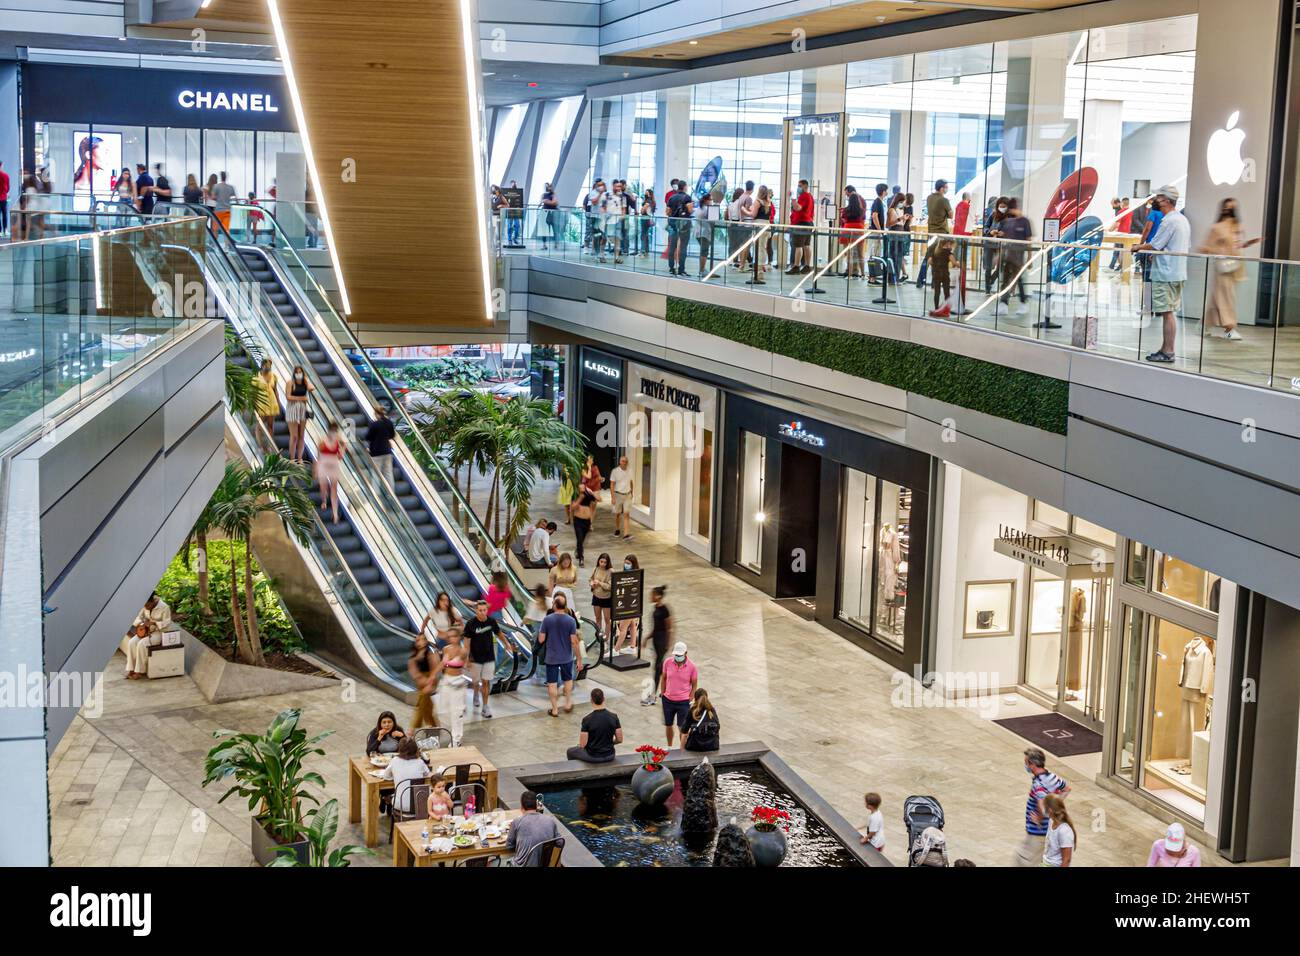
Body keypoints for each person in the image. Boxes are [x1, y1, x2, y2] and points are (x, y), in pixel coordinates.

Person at [1137, 185, 1191, 363]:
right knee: (1170, 312)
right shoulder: (1182, 220)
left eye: (1159, 197)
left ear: (1167, 200)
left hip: (1166, 273)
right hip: (1177, 272)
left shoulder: (1169, 221)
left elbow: (1155, 244)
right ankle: (1166, 348)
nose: (1156, 200)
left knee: (1167, 313)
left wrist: (1137, 247)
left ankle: (1168, 351)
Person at [1199, 197, 1260, 341]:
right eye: (1227, 207)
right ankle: (1229, 328)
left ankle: (1206, 324)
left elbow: (1237, 245)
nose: (1229, 210)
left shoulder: (1237, 226)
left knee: (1219, 298)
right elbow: (1206, 247)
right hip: (1223, 268)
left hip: (1235, 266)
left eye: (1232, 207)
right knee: (1227, 298)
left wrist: (1248, 243)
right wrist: (1219, 250)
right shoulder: (1217, 228)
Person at [1017, 747, 1070, 867]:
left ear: (1032, 764)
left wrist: (1040, 818)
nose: (1025, 765)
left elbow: (1043, 808)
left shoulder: (1038, 784)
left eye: (1026, 762)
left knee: (1027, 862)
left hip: (1037, 830)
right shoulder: (1052, 777)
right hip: (1043, 830)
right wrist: (1055, 803)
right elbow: (1066, 789)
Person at [538, 592, 582, 717]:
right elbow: (574, 641)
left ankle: (555, 709)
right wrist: (578, 659)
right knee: (567, 680)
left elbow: (541, 639)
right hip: (566, 657)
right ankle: (568, 702)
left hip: (551, 657)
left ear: (555, 605)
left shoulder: (547, 620)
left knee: (552, 683)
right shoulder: (571, 620)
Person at [463, 600, 502, 719]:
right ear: (476, 611)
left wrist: (506, 644)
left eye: (484, 610)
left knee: (486, 681)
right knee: (476, 681)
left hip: (489, 657)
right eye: (480, 610)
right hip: (475, 658)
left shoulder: (491, 621)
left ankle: (485, 707)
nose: (482, 612)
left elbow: (499, 633)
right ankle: (475, 693)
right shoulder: (470, 624)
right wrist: (467, 658)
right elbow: (466, 642)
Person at [998, 197, 1035, 320]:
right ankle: (1003, 304)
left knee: (1019, 280)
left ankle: (1023, 303)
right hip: (1008, 257)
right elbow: (1005, 241)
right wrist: (1000, 256)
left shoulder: (1025, 222)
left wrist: (1030, 258)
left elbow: (1028, 240)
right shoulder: (1008, 222)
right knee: (1005, 280)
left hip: (1019, 257)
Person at [566, 688, 623, 763]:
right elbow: (619, 739)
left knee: (570, 751)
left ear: (591, 701)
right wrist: (609, 743)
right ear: (603, 699)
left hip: (593, 757)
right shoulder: (614, 717)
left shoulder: (587, 719)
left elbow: (582, 744)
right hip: (610, 755)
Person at [658, 640, 698, 747]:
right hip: (668, 700)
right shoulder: (667, 662)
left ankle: (682, 748)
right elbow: (664, 678)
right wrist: (663, 693)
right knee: (668, 725)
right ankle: (669, 746)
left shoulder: (692, 667)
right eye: (676, 655)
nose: (678, 657)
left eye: (680, 655)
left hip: (683, 702)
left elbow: (694, 684)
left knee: (682, 727)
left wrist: (690, 698)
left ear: (686, 653)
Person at [436, 626, 471, 745]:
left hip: (458, 682)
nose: (452, 639)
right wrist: (431, 676)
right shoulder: (445, 649)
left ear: (459, 637)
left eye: (454, 636)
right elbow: (442, 664)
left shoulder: (462, 651)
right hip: (446, 680)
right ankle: (453, 730)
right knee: (443, 711)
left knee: (456, 712)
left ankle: (456, 738)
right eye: (449, 636)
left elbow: (465, 663)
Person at [506, 791, 561, 866]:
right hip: (545, 864)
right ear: (537, 805)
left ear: (522, 806)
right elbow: (560, 842)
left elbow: (509, 846)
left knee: (494, 862)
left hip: (522, 865)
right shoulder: (551, 821)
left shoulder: (517, 821)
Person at [124, 592, 171, 679]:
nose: (145, 607)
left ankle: (139, 671)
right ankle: (131, 668)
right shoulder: (144, 604)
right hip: (145, 631)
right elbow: (137, 617)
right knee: (131, 642)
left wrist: (154, 623)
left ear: (152, 601)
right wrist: (141, 624)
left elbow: (167, 624)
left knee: (142, 644)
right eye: (144, 606)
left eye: (147, 605)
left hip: (159, 633)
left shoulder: (164, 607)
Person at [916, 178, 952, 288]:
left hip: (931, 232)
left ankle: (920, 280)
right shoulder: (944, 200)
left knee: (929, 256)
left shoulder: (929, 198)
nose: (947, 189)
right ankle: (934, 282)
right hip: (941, 233)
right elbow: (951, 215)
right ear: (941, 188)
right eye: (946, 187)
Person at [379, 737, 428, 814]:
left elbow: (386, 776)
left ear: (399, 749)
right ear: (416, 749)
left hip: (400, 804)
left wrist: (396, 775)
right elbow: (426, 773)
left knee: (390, 795)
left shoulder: (395, 761)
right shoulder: (420, 762)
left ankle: (385, 800)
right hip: (419, 804)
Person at [642, 584, 671, 704]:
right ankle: (664, 691)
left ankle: (654, 695)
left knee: (658, 667)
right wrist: (647, 637)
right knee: (659, 667)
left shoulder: (664, 610)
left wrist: (667, 644)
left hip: (661, 641)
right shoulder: (656, 609)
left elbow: (669, 628)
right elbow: (656, 628)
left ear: (658, 596)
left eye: (652, 594)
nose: (650, 596)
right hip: (656, 639)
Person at [406, 633, 441, 730]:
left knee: (421, 702)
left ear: (426, 641)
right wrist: (423, 681)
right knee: (427, 706)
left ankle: (412, 728)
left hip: (430, 681)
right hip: (421, 683)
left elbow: (435, 671)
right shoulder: (413, 658)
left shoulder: (430, 654)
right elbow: (415, 674)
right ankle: (435, 727)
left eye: (423, 639)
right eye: (418, 640)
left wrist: (429, 683)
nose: (421, 642)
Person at [315, 420, 345, 525]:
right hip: (328, 463)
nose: (334, 432)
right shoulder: (325, 439)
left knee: (330, 488)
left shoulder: (335, 440)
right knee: (328, 488)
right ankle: (327, 504)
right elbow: (318, 455)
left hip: (329, 463)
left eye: (335, 430)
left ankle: (333, 512)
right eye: (334, 430)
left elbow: (340, 455)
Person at [665, 178, 694, 276]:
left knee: (672, 246)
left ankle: (671, 268)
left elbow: (667, 212)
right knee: (683, 246)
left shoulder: (671, 198)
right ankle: (681, 269)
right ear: (685, 187)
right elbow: (690, 210)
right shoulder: (687, 197)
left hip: (673, 223)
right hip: (684, 224)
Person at [613, 554, 641, 656]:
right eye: (625, 563)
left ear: (633, 564)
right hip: (628, 603)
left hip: (630, 605)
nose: (626, 565)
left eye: (628, 563)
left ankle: (616, 649)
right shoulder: (625, 574)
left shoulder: (635, 575)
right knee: (632, 624)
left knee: (623, 627)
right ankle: (632, 646)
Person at [365, 404, 397, 491]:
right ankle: (391, 492)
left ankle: (376, 493)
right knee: (388, 473)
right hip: (387, 451)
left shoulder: (374, 424)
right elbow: (392, 435)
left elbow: (368, 437)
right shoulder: (389, 423)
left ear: (376, 413)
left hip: (376, 452)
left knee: (376, 473)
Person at [787, 178, 816, 274]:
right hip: (809, 223)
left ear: (805, 186)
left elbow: (798, 208)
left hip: (801, 223)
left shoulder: (804, 196)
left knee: (798, 246)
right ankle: (807, 265)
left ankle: (796, 266)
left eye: (800, 186)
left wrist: (793, 199)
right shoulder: (810, 196)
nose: (798, 188)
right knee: (806, 245)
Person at [284, 365, 312, 464]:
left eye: (300, 372)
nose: (298, 374)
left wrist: (306, 379)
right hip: (292, 409)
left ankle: (300, 458)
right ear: (294, 373)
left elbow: (311, 388)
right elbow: (288, 396)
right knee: (294, 435)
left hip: (302, 410)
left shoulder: (305, 382)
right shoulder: (290, 383)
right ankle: (292, 458)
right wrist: (301, 398)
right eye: (297, 372)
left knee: (301, 435)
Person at [926, 237, 959, 317]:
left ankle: (936, 308)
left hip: (936, 273)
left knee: (937, 292)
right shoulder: (948, 253)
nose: (951, 246)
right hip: (944, 274)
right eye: (951, 245)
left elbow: (930, 261)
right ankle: (945, 310)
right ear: (948, 244)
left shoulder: (936, 251)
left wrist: (936, 265)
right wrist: (960, 264)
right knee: (946, 292)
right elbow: (954, 263)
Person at [1041, 794, 1076, 867]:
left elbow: (1066, 860)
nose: (1043, 810)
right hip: (1046, 862)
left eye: (1044, 807)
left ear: (1050, 810)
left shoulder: (1064, 831)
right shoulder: (1051, 821)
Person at [838, 185, 866, 279]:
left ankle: (849, 274)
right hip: (859, 229)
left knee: (849, 254)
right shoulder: (861, 210)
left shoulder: (846, 210)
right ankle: (863, 274)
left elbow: (844, 219)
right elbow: (863, 218)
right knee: (861, 254)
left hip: (848, 229)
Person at [682, 687, 719, 752]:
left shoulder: (692, 711)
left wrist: (682, 750)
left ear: (695, 698)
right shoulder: (711, 710)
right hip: (712, 746)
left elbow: (684, 733)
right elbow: (718, 727)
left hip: (695, 746)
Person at [694, 191, 720, 278]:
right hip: (704, 233)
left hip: (698, 232)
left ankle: (702, 270)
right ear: (706, 200)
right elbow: (713, 219)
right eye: (710, 199)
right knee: (704, 252)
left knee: (703, 251)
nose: (711, 201)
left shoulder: (699, 208)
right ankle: (702, 270)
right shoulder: (706, 209)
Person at [608, 455, 633, 539]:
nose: (624, 463)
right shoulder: (615, 471)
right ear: (619, 462)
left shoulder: (630, 471)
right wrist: (613, 497)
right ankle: (617, 528)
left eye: (626, 461)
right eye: (623, 461)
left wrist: (632, 492)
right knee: (618, 514)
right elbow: (612, 484)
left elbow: (631, 481)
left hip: (627, 495)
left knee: (626, 514)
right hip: (618, 494)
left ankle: (626, 534)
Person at [588, 552, 613, 638]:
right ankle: (599, 635)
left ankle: (606, 637)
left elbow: (610, 587)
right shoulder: (596, 569)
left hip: (606, 598)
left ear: (608, 562)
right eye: (601, 561)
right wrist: (591, 583)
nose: (602, 564)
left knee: (607, 619)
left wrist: (600, 583)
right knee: (598, 618)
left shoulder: (610, 571)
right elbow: (590, 579)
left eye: (604, 562)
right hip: (596, 596)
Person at [255, 359, 279, 444]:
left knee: (270, 425)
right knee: (260, 425)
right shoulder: (257, 377)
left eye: (270, 365)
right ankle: (260, 445)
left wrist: (278, 402)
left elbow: (275, 390)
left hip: (272, 403)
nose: (268, 367)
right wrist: (255, 404)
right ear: (262, 365)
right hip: (262, 403)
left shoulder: (273, 376)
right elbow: (254, 392)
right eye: (267, 365)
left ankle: (270, 445)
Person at [570, 488, 595, 566]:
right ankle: (581, 558)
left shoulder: (588, 495)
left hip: (586, 522)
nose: (581, 487)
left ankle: (578, 550)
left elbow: (593, 506)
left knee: (582, 540)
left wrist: (590, 523)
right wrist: (580, 498)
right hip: (578, 521)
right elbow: (573, 507)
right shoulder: (575, 495)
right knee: (580, 539)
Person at [638, 188, 656, 256]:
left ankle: (642, 250)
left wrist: (642, 210)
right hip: (648, 218)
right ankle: (646, 249)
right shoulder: (652, 201)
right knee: (646, 234)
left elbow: (643, 211)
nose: (645, 194)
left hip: (645, 218)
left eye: (647, 193)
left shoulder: (648, 201)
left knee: (643, 234)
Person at [0, 159, 9, 237]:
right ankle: (5, 230)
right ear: (1, 165)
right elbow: (8, 188)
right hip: (3, 198)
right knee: (4, 214)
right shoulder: (5, 175)